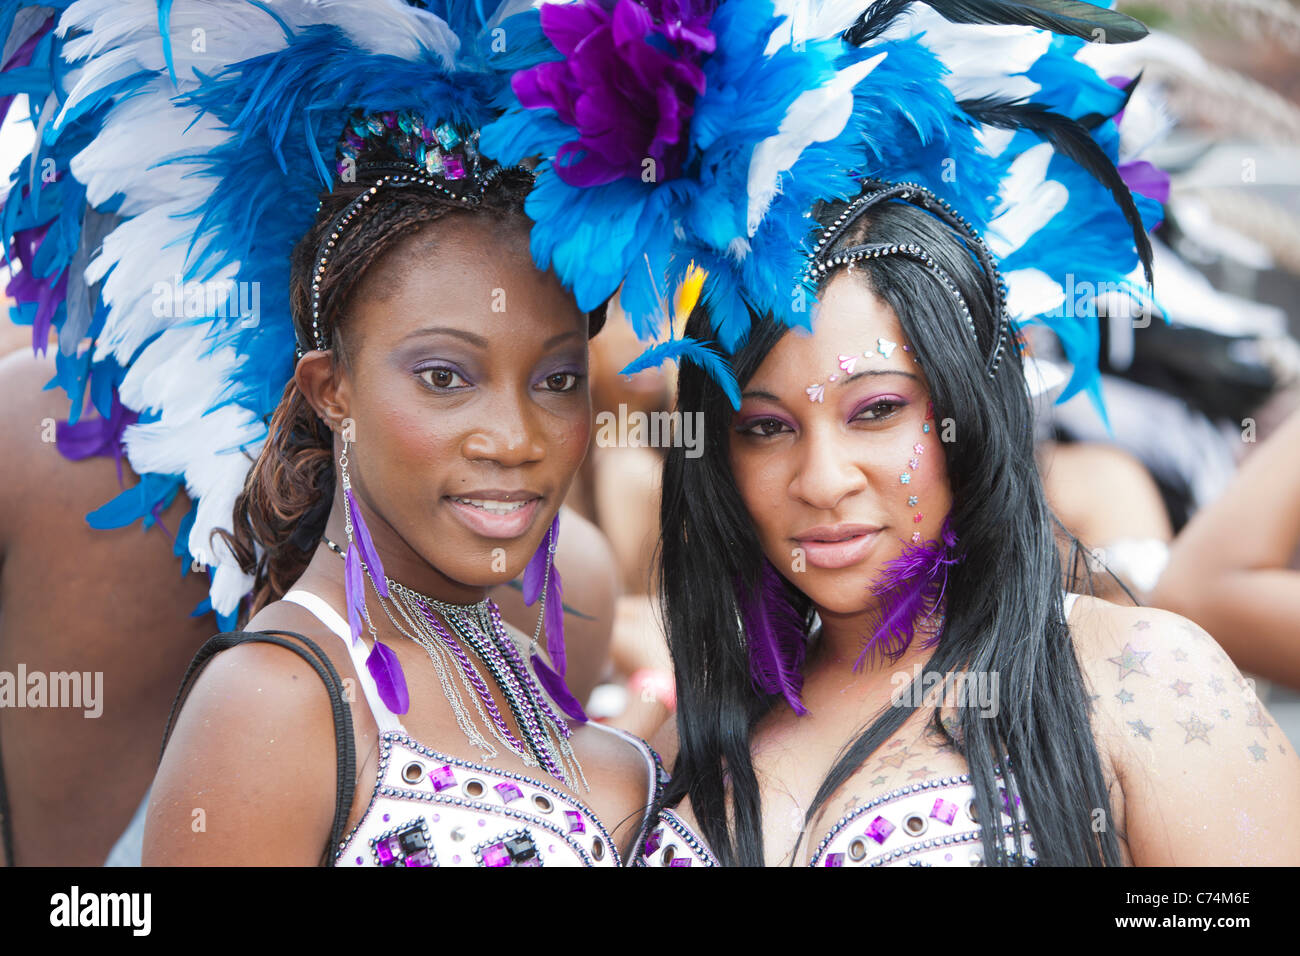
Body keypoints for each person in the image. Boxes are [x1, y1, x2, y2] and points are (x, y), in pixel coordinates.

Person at [477, 0, 1300, 865]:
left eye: (877, 410)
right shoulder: (691, 743)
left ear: (966, 411)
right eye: (765, 428)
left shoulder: (1138, 680)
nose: (823, 480)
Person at [1, 0, 662, 867]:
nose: (512, 438)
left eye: (557, 380)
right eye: (443, 376)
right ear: (330, 386)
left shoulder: (557, 585)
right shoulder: (37, 452)